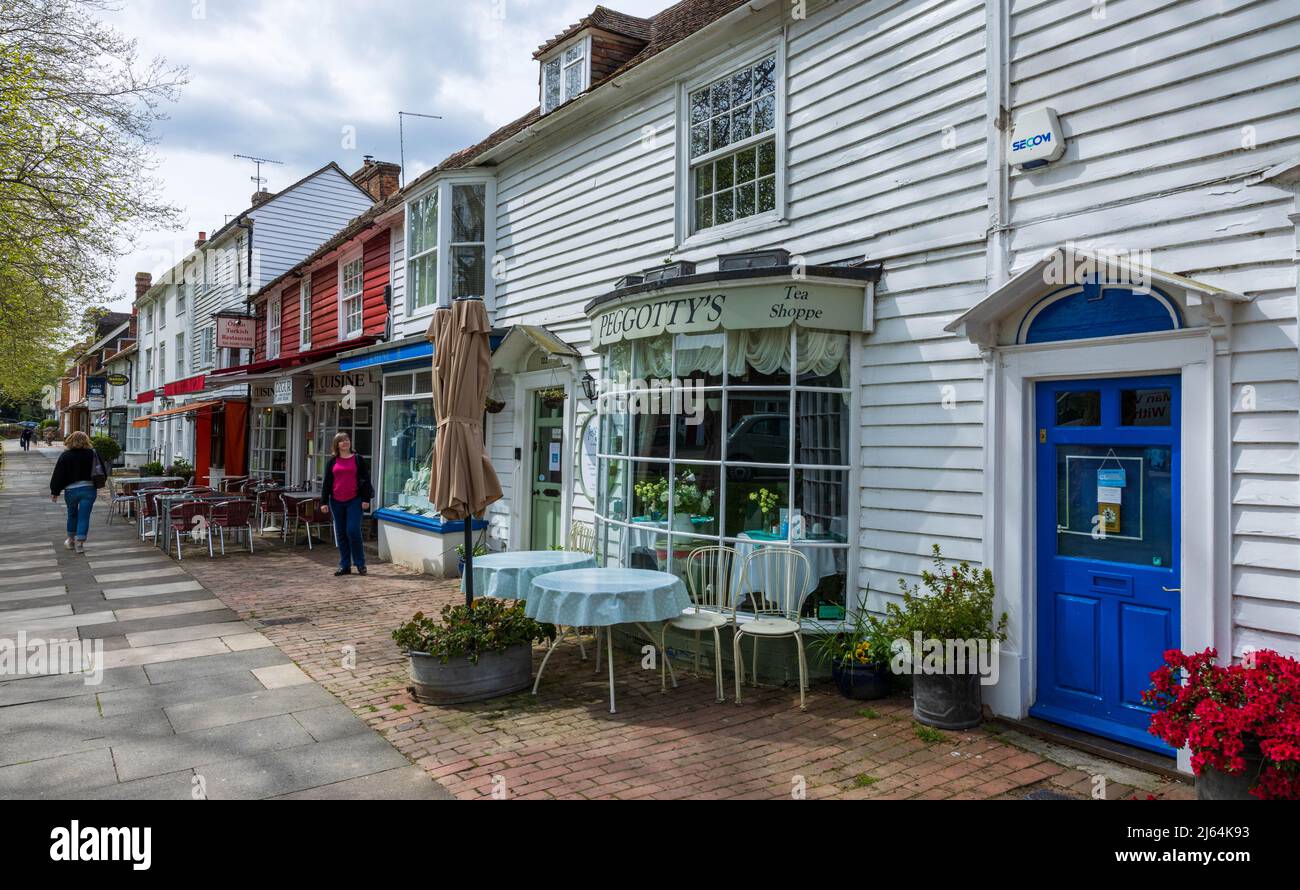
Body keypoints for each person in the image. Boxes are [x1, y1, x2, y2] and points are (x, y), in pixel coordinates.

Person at [320, 432, 372, 576]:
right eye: (341, 441)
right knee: (341, 533)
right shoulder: (332, 461)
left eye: (347, 440)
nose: (345, 442)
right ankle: (345, 565)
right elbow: (327, 483)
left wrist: (366, 499)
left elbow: (366, 480)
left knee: (353, 530)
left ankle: (360, 564)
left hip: (354, 500)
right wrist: (323, 502)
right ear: (337, 445)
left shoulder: (358, 459)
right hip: (336, 501)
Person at [49, 431, 106, 553]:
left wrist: (55, 491)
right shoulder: (93, 454)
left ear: (70, 440)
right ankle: (80, 544)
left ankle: (70, 541)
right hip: (89, 490)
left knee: (72, 514)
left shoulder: (65, 456)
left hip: (71, 491)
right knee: (84, 516)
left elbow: (58, 475)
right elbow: (102, 470)